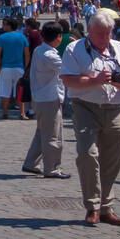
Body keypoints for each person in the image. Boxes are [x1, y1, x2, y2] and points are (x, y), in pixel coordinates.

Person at [60, 9, 120, 226]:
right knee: (88, 154)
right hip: (86, 107)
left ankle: (106, 207)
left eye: (108, 33)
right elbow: (67, 79)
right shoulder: (74, 49)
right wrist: (93, 80)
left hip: (116, 108)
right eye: (100, 34)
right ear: (90, 31)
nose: (105, 38)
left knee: (114, 157)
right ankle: (92, 206)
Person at [23, 22, 70, 178]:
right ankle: (52, 168)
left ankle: (31, 162)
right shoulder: (50, 55)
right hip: (49, 98)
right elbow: (66, 70)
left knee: (42, 132)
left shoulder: (39, 50)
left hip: (40, 97)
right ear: (58, 37)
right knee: (53, 135)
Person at [0, 18, 30, 120]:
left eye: (5, 25)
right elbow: (27, 54)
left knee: (5, 90)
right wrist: (26, 68)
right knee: (20, 91)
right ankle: (22, 113)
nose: (3, 26)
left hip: (6, 67)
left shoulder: (2, 37)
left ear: (9, 26)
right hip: (19, 67)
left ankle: (5, 112)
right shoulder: (22, 37)